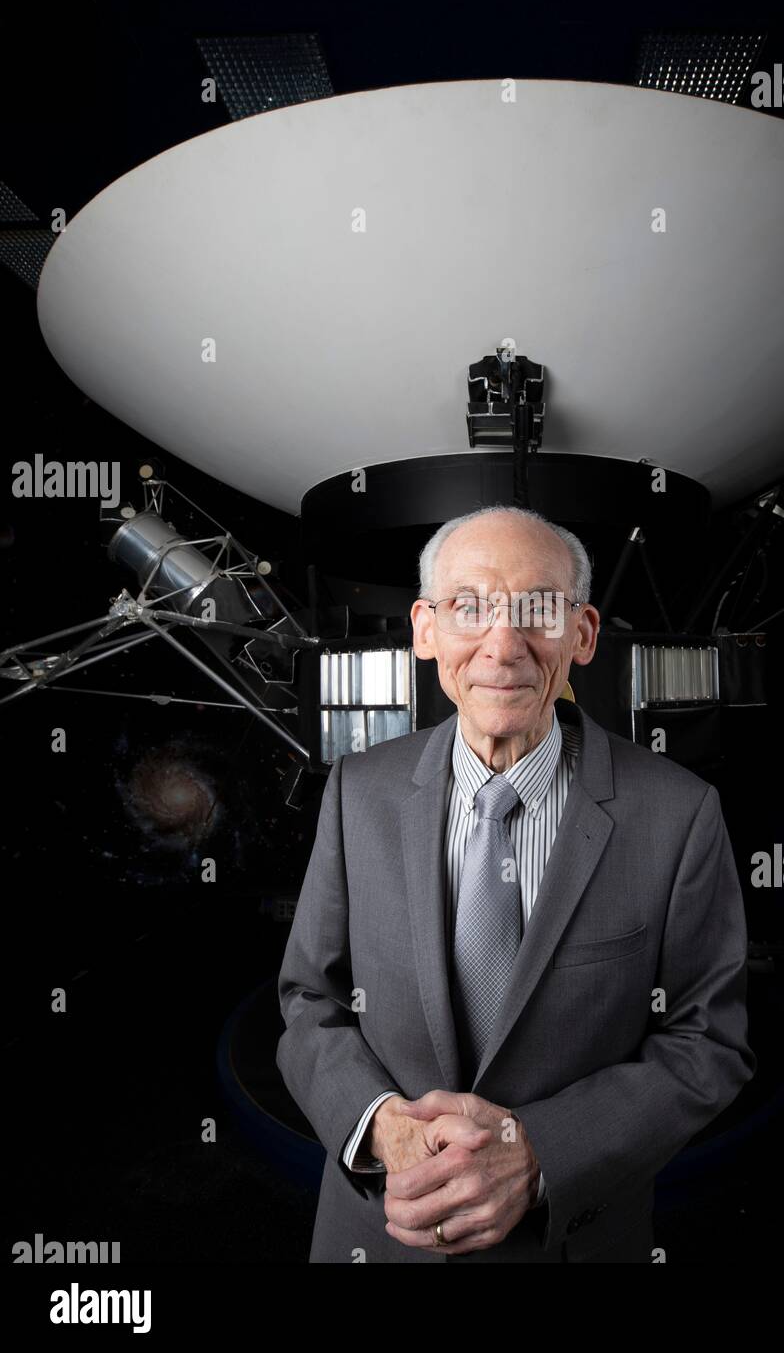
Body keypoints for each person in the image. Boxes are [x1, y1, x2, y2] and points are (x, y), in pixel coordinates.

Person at [276, 504, 756, 1262]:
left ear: (584, 634)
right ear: (426, 631)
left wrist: (540, 1154)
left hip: (572, 1242)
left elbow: (710, 1041)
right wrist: (379, 1124)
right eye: (469, 607)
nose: (503, 646)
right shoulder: (357, 794)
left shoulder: (679, 814)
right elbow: (309, 1000)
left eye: (538, 608)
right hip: (378, 1235)